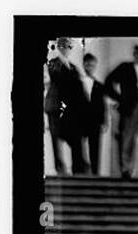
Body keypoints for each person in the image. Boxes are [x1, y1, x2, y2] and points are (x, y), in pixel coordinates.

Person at [105, 43, 138, 178]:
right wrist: (119, 99)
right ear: (134, 55)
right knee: (128, 137)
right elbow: (108, 81)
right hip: (133, 103)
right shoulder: (126, 67)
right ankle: (126, 169)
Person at [46, 38, 88, 175]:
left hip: (70, 109)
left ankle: (79, 169)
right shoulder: (52, 64)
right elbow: (57, 80)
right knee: (56, 139)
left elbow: (78, 90)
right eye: (63, 46)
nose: (66, 48)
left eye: (68, 46)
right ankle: (61, 169)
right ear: (58, 47)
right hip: (56, 106)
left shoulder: (74, 68)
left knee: (75, 138)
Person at [81, 52, 107, 175]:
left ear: (95, 66)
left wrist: (104, 121)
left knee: (95, 148)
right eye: (88, 65)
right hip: (81, 119)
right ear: (84, 65)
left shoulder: (99, 86)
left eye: (92, 65)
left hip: (95, 121)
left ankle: (95, 173)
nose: (90, 67)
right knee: (79, 148)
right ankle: (81, 172)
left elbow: (103, 106)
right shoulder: (77, 82)